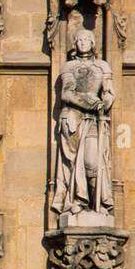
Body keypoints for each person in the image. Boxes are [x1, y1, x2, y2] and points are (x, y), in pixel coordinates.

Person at [51, 23, 115, 224]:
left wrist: (104, 102)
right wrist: (90, 103)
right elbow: (66, 94)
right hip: (72, 119)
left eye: (86, 40)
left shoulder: (102, 66)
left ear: (93, 43)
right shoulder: (69, 67)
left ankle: (97, 206)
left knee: (92, 162)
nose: (82, 43)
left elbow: (109, 92)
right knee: (73, 162)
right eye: (79, 40)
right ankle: (76, 202)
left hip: (95, 119)